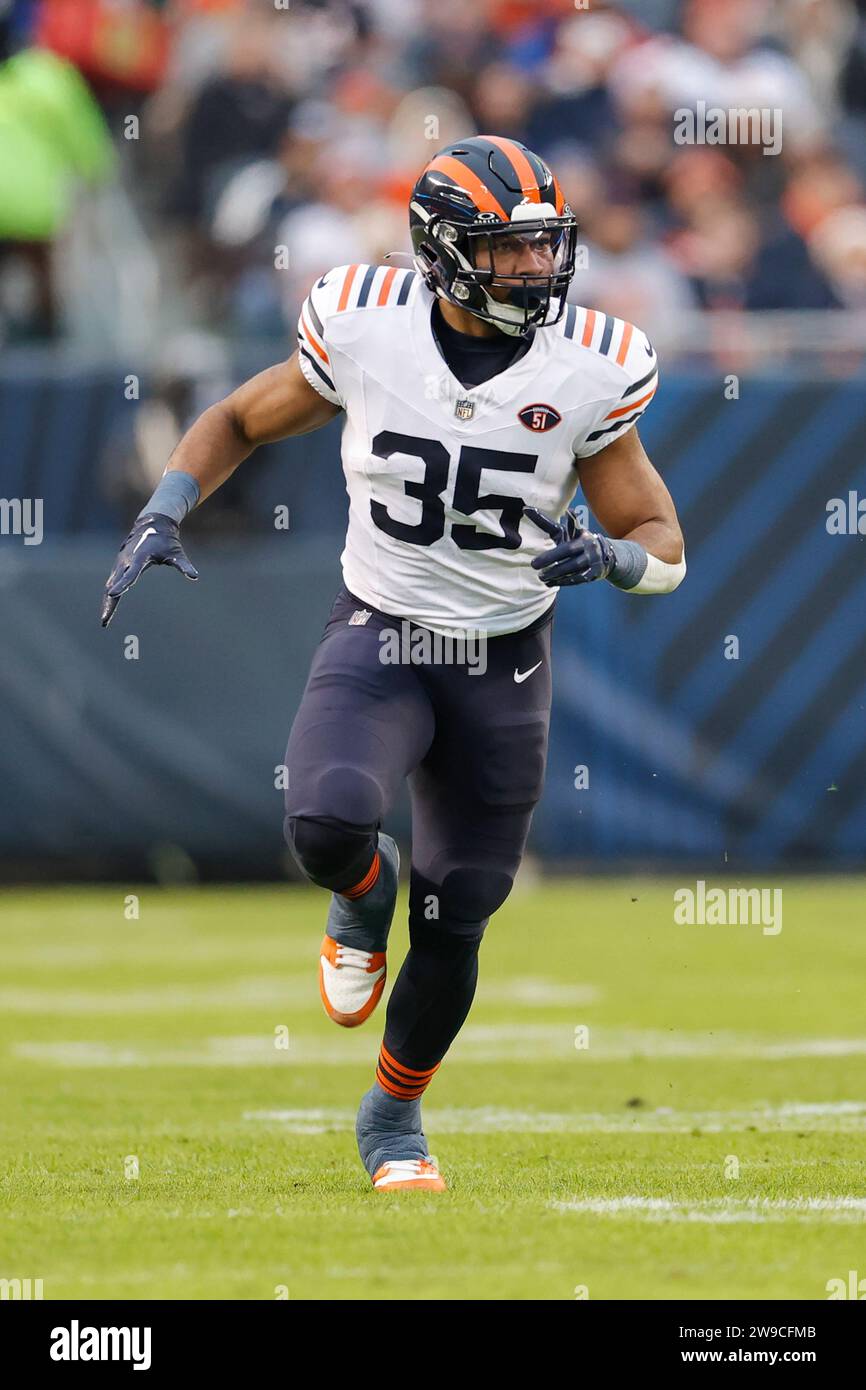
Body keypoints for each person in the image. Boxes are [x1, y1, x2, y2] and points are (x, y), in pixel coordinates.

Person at [100, 136, 686, 1192]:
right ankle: (359, 899)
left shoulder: (592, 365)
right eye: (506, 253)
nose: (533, 271)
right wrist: (165, 505)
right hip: (380, 631)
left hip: (500, 658)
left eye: (541, 248)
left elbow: (663, 540)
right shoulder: (364, 325)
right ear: (445, 253)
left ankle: (393, 1117)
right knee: (324, 822)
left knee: (458, 905)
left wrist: (613, 555)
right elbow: (238, 416)